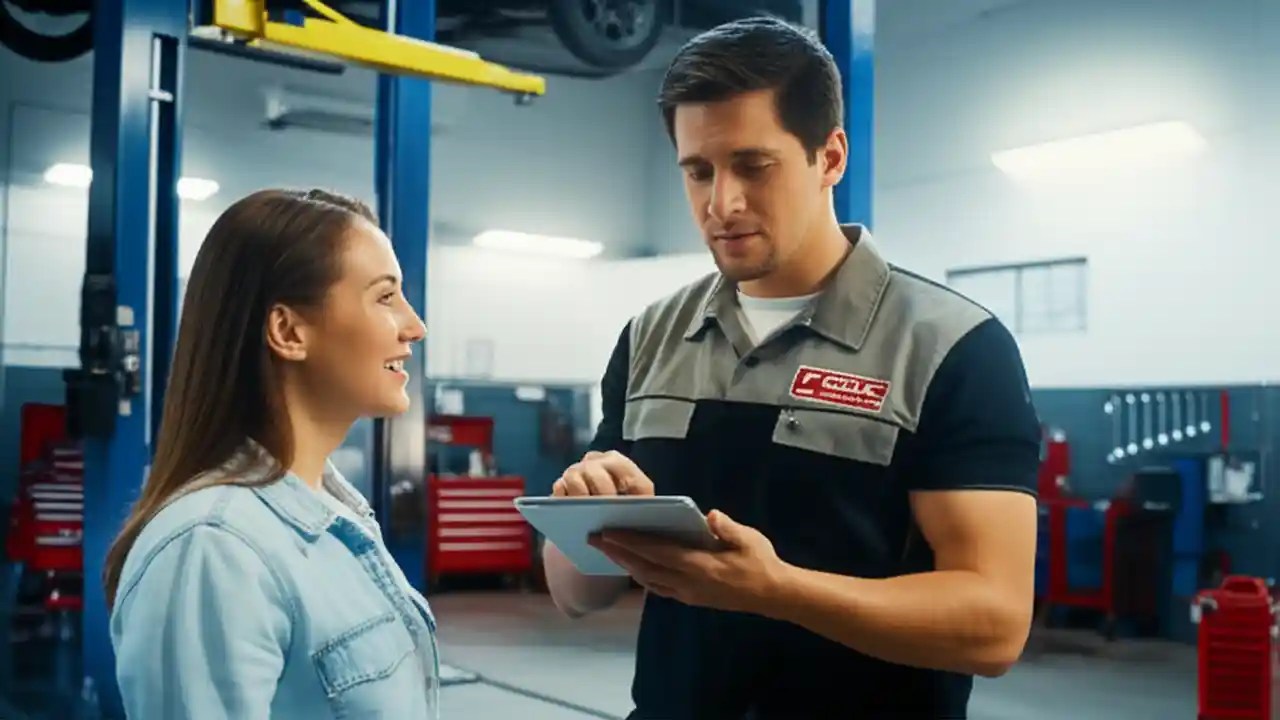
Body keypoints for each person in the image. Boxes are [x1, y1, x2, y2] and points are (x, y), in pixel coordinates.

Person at [542, 16, 1041, 720]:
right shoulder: (653, 336)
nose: (722, 204)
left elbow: (993, 624)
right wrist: (579, 522)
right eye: (698, 171)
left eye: (753, 165)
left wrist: (777, 590)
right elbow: (576, 593)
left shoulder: (951, 347)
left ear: (830, 156)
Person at [104, 189, 438, 719]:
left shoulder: (336, 521)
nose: (414, 326)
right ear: (287, 330)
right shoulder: (213, 549)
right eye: (384, 296)